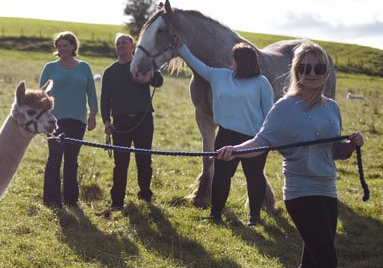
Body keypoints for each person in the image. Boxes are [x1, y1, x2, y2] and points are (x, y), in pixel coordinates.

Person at [216, 40, 377, 268]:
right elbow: (261, 142)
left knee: (313, 264)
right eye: (305, 68)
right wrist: (234, 150)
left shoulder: (332, 107)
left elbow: (335, 152)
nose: (312, 73)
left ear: (325, 71)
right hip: (301, 193)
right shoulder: (284, 108)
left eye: (318, 68)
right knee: (327, 258)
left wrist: (351, 145)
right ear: (296, 71)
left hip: (328, 191)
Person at [176, 40, 274, 225]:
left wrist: (267, 138)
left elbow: (269, 113)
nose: (229, 60)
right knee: (221, 176)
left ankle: (254, 217)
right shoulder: (219, 76)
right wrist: (182, 49)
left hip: (254, 139)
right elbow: (198, 65)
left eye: (233, 58)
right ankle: (216, 215)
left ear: (243, 61)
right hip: (226, 135)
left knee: (254, 176)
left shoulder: (262, 83)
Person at [100, 33, 163, 211]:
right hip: (120, 123)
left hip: (143, 120)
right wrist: (106, 121)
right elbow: (105, 99)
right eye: (118, 43)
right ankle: (117, 201)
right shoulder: (110, 72)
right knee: (120, 163)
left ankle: (145, 196)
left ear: (133, 46)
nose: (121, 45)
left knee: (144, 160)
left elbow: (159, 82)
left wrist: (151, 72)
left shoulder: (142, 66)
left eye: (124, 43)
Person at [39, 32, 98, 209]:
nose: (62, 48)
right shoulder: (50, 68)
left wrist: (93, 114)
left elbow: (91, 93)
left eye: (65, 45)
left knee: (72, 160)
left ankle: (71, 200)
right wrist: (41, 116)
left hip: (78, 120)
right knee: (54, 158)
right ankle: (52, 201)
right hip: (54, 121)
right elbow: (41, 94)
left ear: (73, 46)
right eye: (59, 45)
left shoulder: (84, 68)